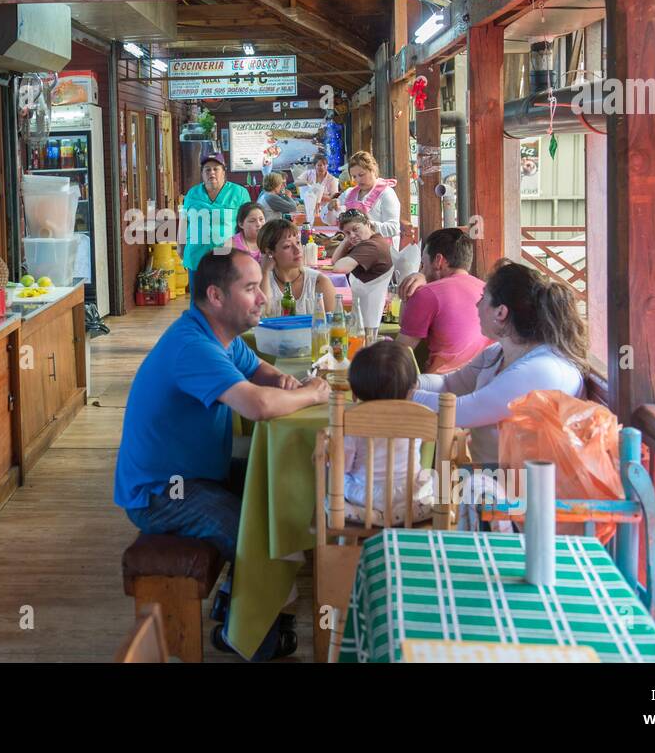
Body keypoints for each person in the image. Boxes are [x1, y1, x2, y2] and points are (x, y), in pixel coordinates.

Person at [114, 249, 331, 660]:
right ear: (216, 296)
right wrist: (310, 393)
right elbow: (258, 406)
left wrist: (282, 379)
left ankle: (243, 606)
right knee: (258, 536)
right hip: (162, 493)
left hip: (197, 474)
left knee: (278, 490)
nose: (263, 297)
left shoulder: (218, 335)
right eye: (250, 288)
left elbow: (258, 373)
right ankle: (253, 638)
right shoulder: (194, 346)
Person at [410, 261, 588, 465]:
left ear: (501, 312)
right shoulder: (498, 352)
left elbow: (462, 411)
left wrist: (401, 393)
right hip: (492, 479)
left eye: (483, 298)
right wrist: (407, 383)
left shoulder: (542, 369)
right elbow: (450, 384)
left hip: (524, 490)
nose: (477, 306)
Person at [341, 340, 426, 520]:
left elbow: (344, 466)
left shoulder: (353, 422)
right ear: (412, 390)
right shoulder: (420, 418)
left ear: (354, 393)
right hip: (410, 497)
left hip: (367, 498)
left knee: (338, 476)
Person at [394, 228, 492, 373]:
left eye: (423, 263)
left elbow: (398, 353)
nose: (422, 268)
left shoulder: (427, 293)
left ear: (438, 260)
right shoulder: (488, 290)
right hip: (487, 382)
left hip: (444, 387)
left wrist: (419, 280)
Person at [180, 153, 250, 275]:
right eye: (207, 169)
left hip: (227, 259)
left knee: (226, 294)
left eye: (215, 169)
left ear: (223, 172)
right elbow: (184, 222)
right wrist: (180, 247)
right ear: (202, 174)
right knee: (198, 294)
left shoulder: (239, 193)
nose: (211, 172)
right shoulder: (192, 194)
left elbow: (248, 223)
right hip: (196, 258)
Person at [257, 218, 337, 316]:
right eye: (287, 246)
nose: (297, 250)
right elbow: (262, 317)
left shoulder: (319, 282)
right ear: (270, 252)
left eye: (298, 242)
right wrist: (264, 272)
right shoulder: (262, 282)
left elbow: (334, 324)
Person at [322, 150, 401, 240]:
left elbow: (393, 228)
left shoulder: (386, 193)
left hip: (379, 248)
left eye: (361, 175)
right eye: (354, 176)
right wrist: (330, 207)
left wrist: (366, 226)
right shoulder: (349, 193)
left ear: (373, 170)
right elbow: (329, 221)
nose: (358, 180)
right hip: (355, 248)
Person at [330, 209, 393, 284]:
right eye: (347, 233)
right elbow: (335, 261)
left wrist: (349, 237)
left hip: (373, 293)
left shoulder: (371, 246)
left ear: (368, 224)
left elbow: (339, 268)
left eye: (356, 229)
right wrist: (347, 240)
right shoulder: (374, 240)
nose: (352, 235)